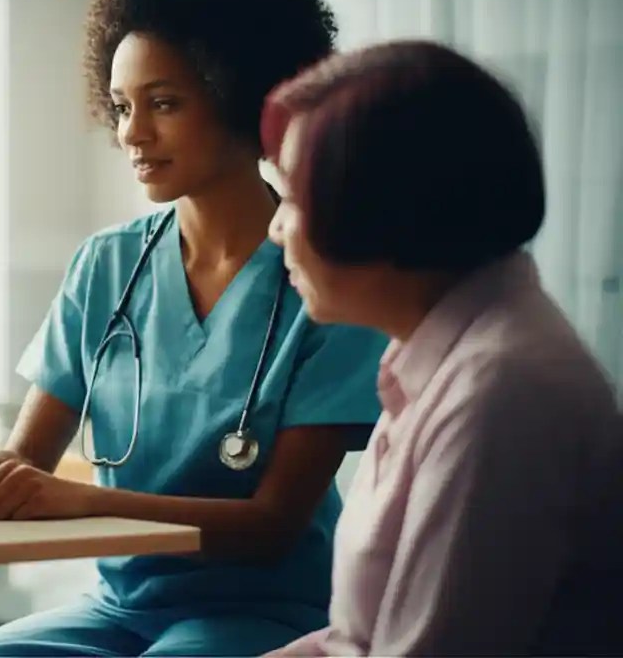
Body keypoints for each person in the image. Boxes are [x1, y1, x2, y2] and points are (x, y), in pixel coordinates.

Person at [0, 0, 388, 655]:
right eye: (120, 106)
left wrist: (87, 500)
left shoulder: (327, 275)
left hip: (268, 612)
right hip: (121, 608)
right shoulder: (106, 265)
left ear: (248, 97)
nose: (131, 134)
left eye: (165, 103)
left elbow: (273, 525)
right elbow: (29, 465)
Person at [259, 39, 623, 656]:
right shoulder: (432, 358)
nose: (275, 229)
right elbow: (356, 639)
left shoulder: (503, 392)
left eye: (292, 200)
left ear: (376, 212)